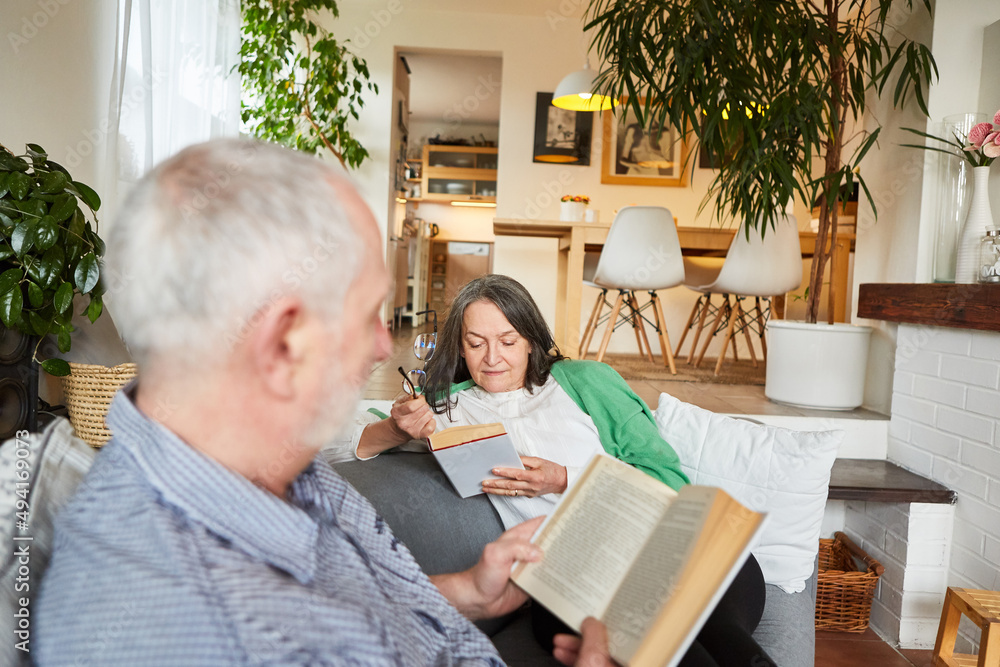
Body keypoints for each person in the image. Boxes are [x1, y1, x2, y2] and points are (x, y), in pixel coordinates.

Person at [34, 139, 611, 666]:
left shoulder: (258, 454)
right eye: (368, 316)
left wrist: (469, 593)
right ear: (285, 343)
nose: (385, 346)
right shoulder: (208, 630)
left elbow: (358, 608)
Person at [348, 274, 775, 667]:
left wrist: (565, 478)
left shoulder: (584, 381)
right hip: (569, 580)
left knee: (717, 636)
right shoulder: (447, 407)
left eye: (508, 341)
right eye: (476, 343)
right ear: (459, 347)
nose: (492, 358)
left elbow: (669, 479)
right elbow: (350, 444)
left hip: (668, 543)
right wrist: (395, 427)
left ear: (532, 340)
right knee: (660, 654)